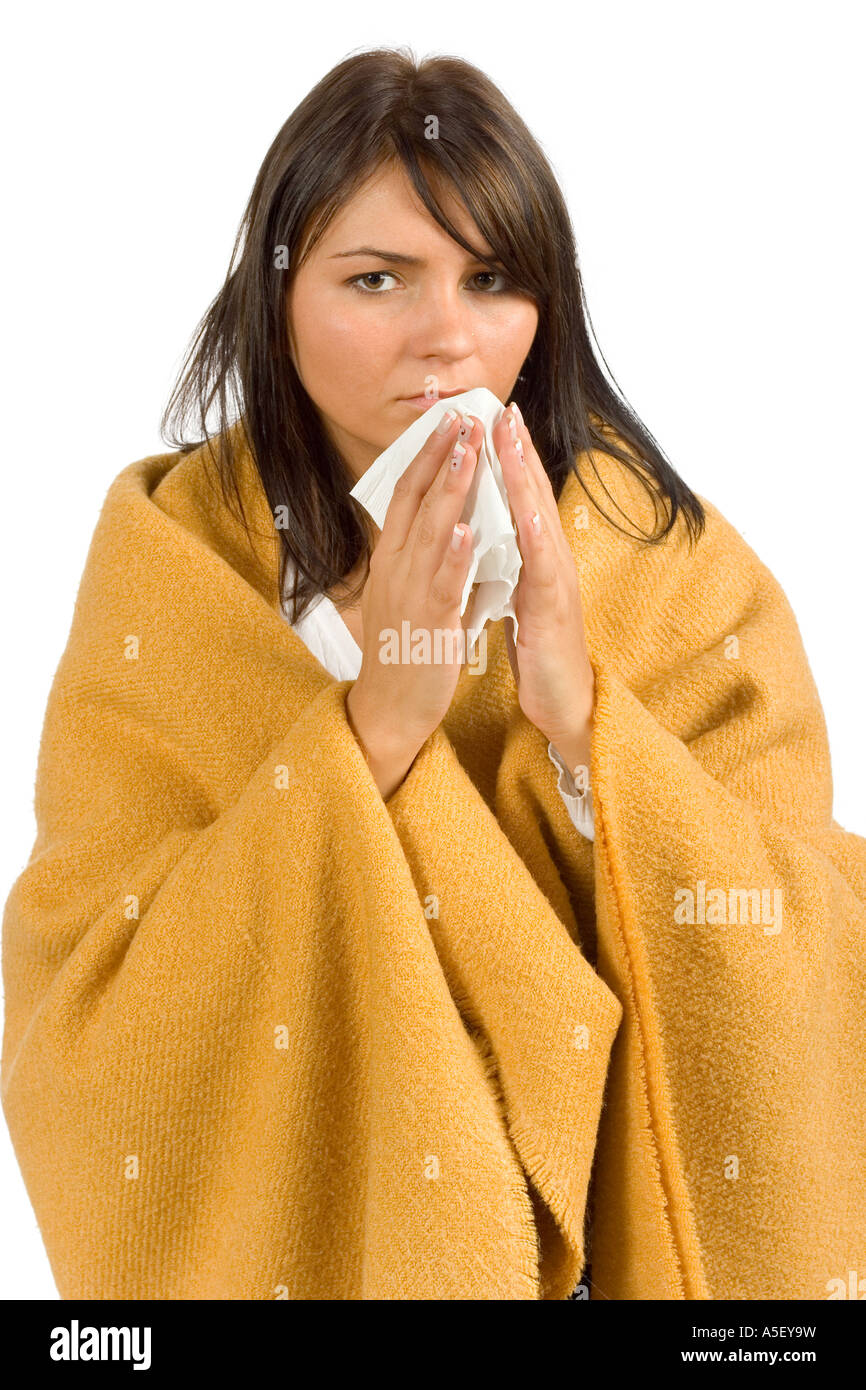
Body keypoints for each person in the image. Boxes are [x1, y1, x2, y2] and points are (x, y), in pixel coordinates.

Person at [2, 47, 864, 1302]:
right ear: (278, 298)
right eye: (375, 280)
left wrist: (582, 726)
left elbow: (814, 949)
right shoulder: (170, 576)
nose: (446, 338)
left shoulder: (668, 564)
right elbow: (85, 997)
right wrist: (370, 732)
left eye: (492, 279)